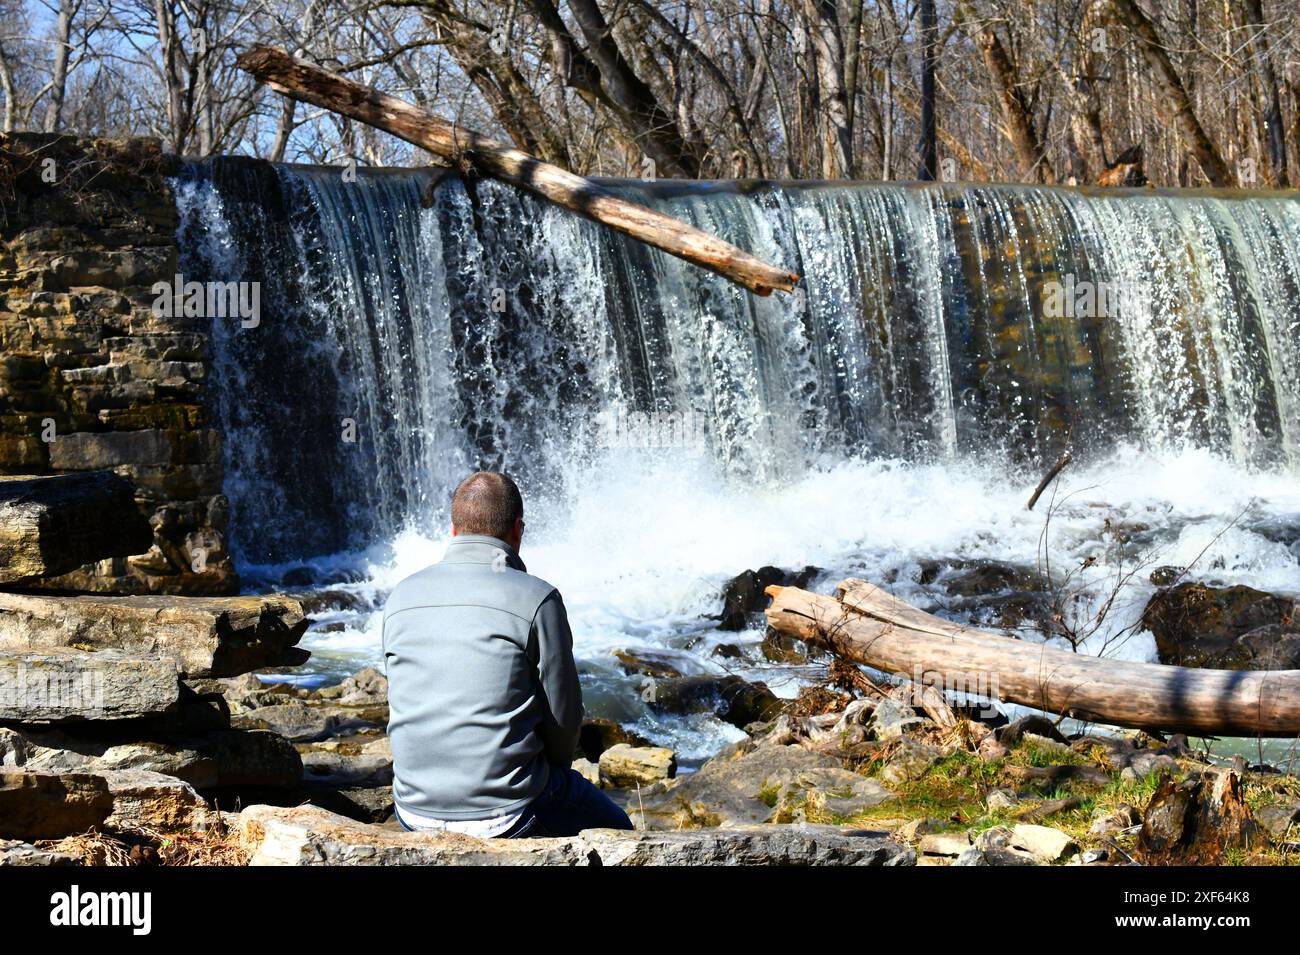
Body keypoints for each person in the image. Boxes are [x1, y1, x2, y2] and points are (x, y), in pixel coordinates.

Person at [382, 470, 633, 838]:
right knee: (620, 831)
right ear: (518, 530)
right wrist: (553, 771)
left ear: (453, 531)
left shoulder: (399, 598)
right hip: (507, 814)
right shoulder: (538, 599)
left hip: (412, 810)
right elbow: (563, 721)